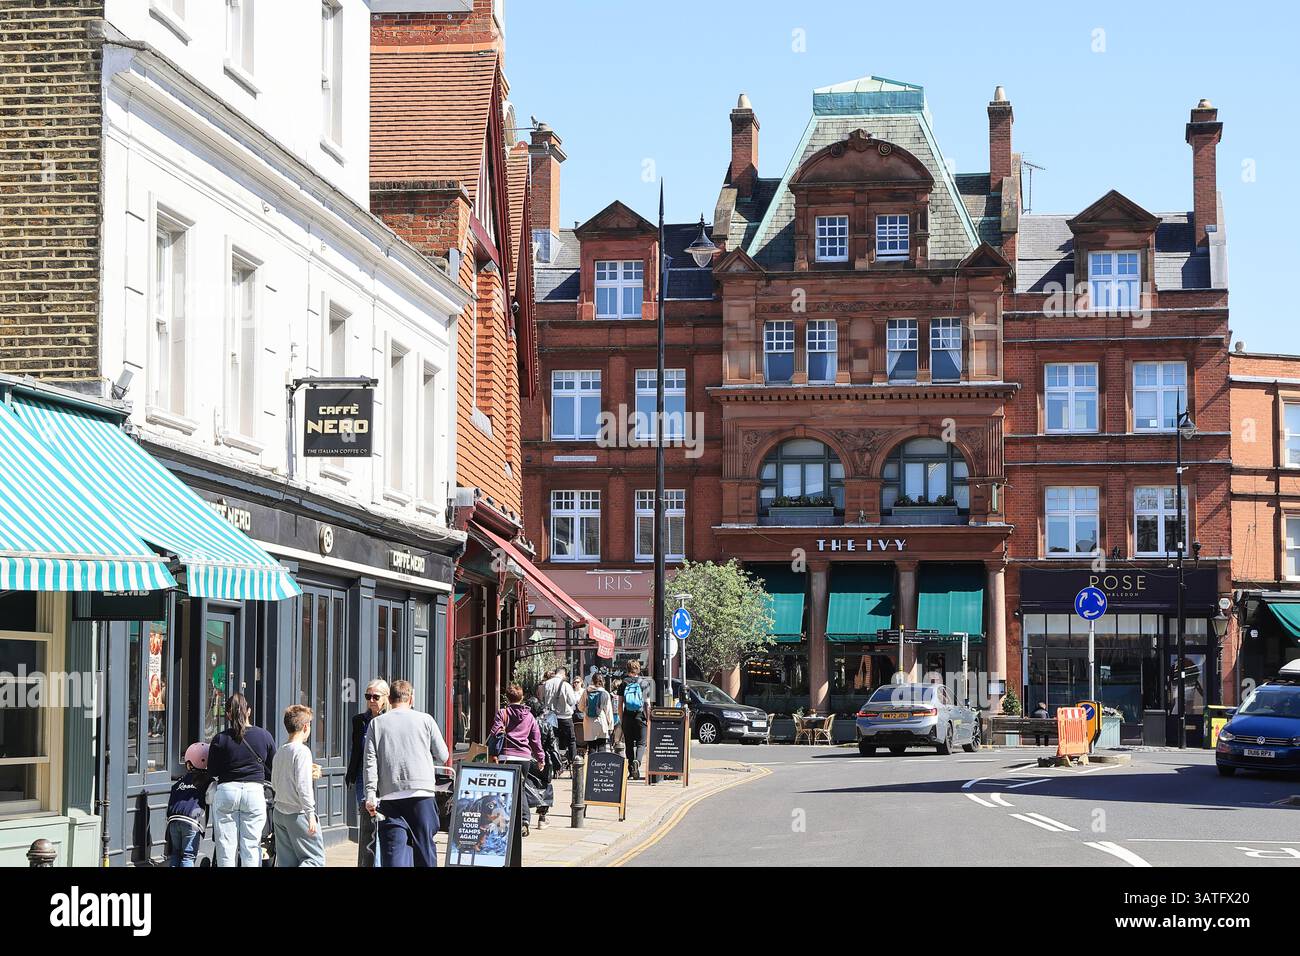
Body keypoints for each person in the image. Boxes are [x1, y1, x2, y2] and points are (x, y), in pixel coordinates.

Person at [363, 679, 449, 868]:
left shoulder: (376, 724)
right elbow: (443, 755)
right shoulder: (426, 720)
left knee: (393, 853)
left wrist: (370, 794)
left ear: (389, 699)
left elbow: (370, 762)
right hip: (422, 795)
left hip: (390, 796)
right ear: (411, 698)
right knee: (425, 851)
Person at [208, 693, 276, 867]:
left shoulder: (220, 739)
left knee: (225, 847)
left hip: (227, 792)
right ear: (249, 712)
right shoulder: (264, 736)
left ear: (228, 714)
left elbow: (212, 771)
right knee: (251, 846)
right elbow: (272, 768)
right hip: (254, 792)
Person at [270, 704, 325, 867]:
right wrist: (310, 813)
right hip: (299, 813)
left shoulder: (280, 750)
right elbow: (303, 786)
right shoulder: (302, 751)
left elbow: (274, 783)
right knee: (315, 860)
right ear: (306, 727)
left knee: (287, 862)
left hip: (280, 812)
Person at [490, 683, 549, 829]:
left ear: (507, 698)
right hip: (524, 758)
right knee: (521, 789)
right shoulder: (529, 717)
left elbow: (495, 733)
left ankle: (501, 823)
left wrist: (493, 754)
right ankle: (524, 820)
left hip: (505, 757)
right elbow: (536, 740)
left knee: (503, 791)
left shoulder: (502, 713)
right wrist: (541, 759)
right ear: (522, 697)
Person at [345, 678, 389, 866]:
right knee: (368, 825)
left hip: (386, 778)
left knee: (383, 825)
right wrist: (351, 774)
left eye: (376, 696)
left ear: (386, 698)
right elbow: (356, 750)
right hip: (364, 777)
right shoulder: (359, 721)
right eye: (368, 696)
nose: (371, 700)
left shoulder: (389, 721)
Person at [165, 742, 211, 867]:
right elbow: (210, 798)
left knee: (175, 853)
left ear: (189, 764)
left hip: (173, 819)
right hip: (192, 820)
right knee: (188, 855)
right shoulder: (208, 780)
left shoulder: (181, 780)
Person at [542, 666, 578, 768]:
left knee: (552, 741)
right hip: (565, 717)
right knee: (571, 740)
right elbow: (572, 701)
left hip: (551, 717)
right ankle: (573, 764)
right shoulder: (566, 685)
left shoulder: (546, 684)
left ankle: (554, 764)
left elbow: (543, 700)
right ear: (563, 674)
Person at [620, 661, 649, 779]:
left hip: (627, 716)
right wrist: (648, 718)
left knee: (629, 744)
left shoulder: (624, 683)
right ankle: (638, 761)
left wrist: (622, 720)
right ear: (638, 669)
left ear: (627, 669)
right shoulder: (644, 683)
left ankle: (631, 771)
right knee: (642, 743)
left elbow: (620, 704)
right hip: (640, 716)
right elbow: (647, 703)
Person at [577, 672, 614, 753]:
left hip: (589, 722)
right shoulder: (605, 693)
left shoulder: (586, 692)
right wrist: (610, 726)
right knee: (602, 746)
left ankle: (592, 764)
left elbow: (580, 707)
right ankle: (601, 764)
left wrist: (587, 710)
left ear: (592, 681)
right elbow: (608, 711)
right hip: (601, 721)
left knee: (591, 747)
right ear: (603, 681)